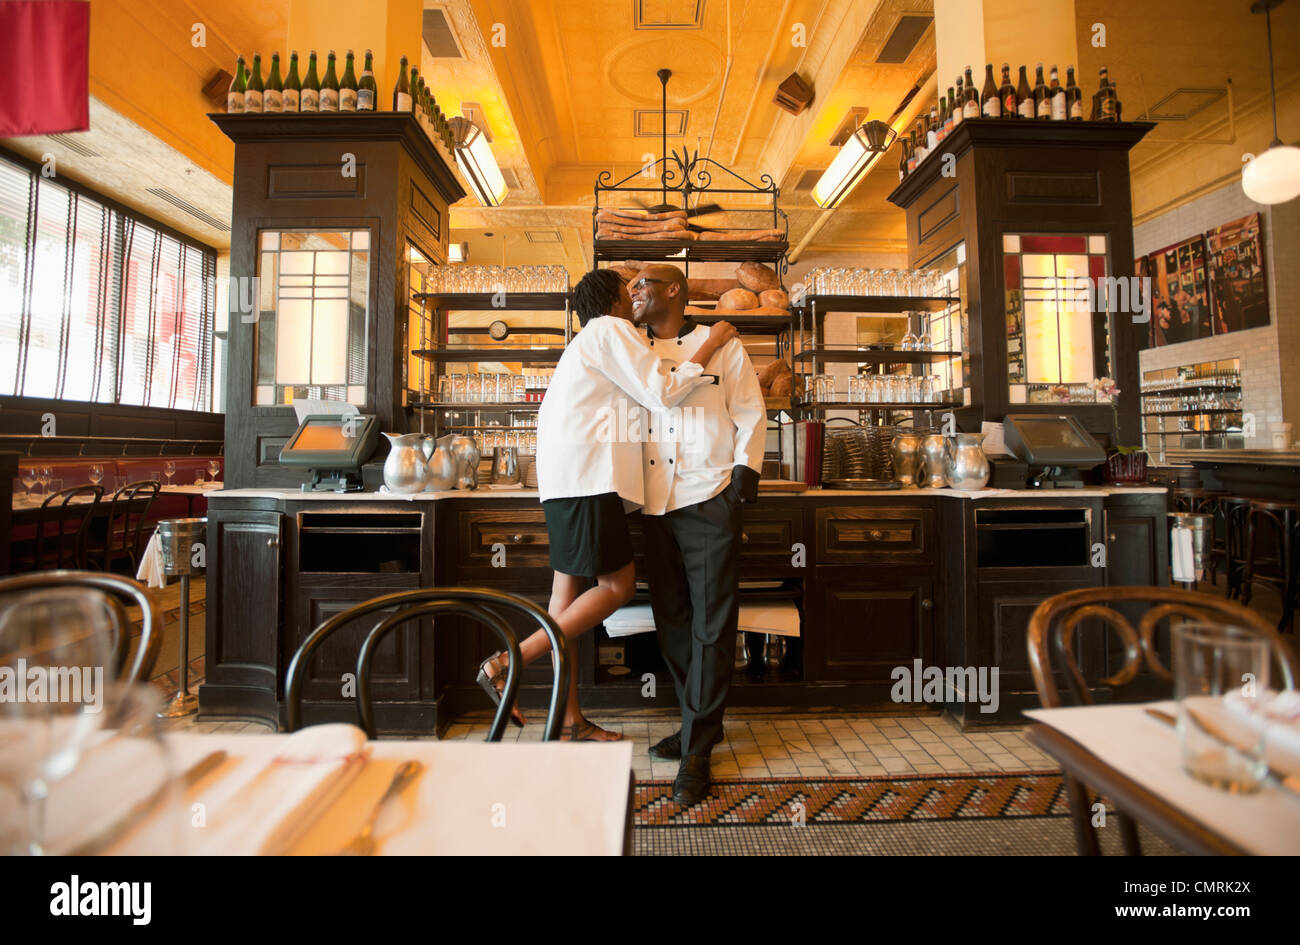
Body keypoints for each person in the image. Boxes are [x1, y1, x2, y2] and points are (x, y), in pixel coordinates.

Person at [476, 268, 737, 741]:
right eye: (628, 290)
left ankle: (569, 721)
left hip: (566, 481)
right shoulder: (611, 329)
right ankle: (506, 662)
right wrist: (712, 341)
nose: (635, 296)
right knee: (617, 587)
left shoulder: (588, 341)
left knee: (566, 600)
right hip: (589, 481)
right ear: (614, 301)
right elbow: (664, 393)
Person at [628, 264, 766, 803]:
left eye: (643, 283)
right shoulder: (630, 345)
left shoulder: (722, 344)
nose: (634, 290)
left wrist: (741, 483)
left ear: (674, 290)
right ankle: (698, 724)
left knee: (712, 624)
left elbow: (751, 412)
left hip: (709, 495)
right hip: (653, 501)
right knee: (672, 622)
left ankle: (698, 750)